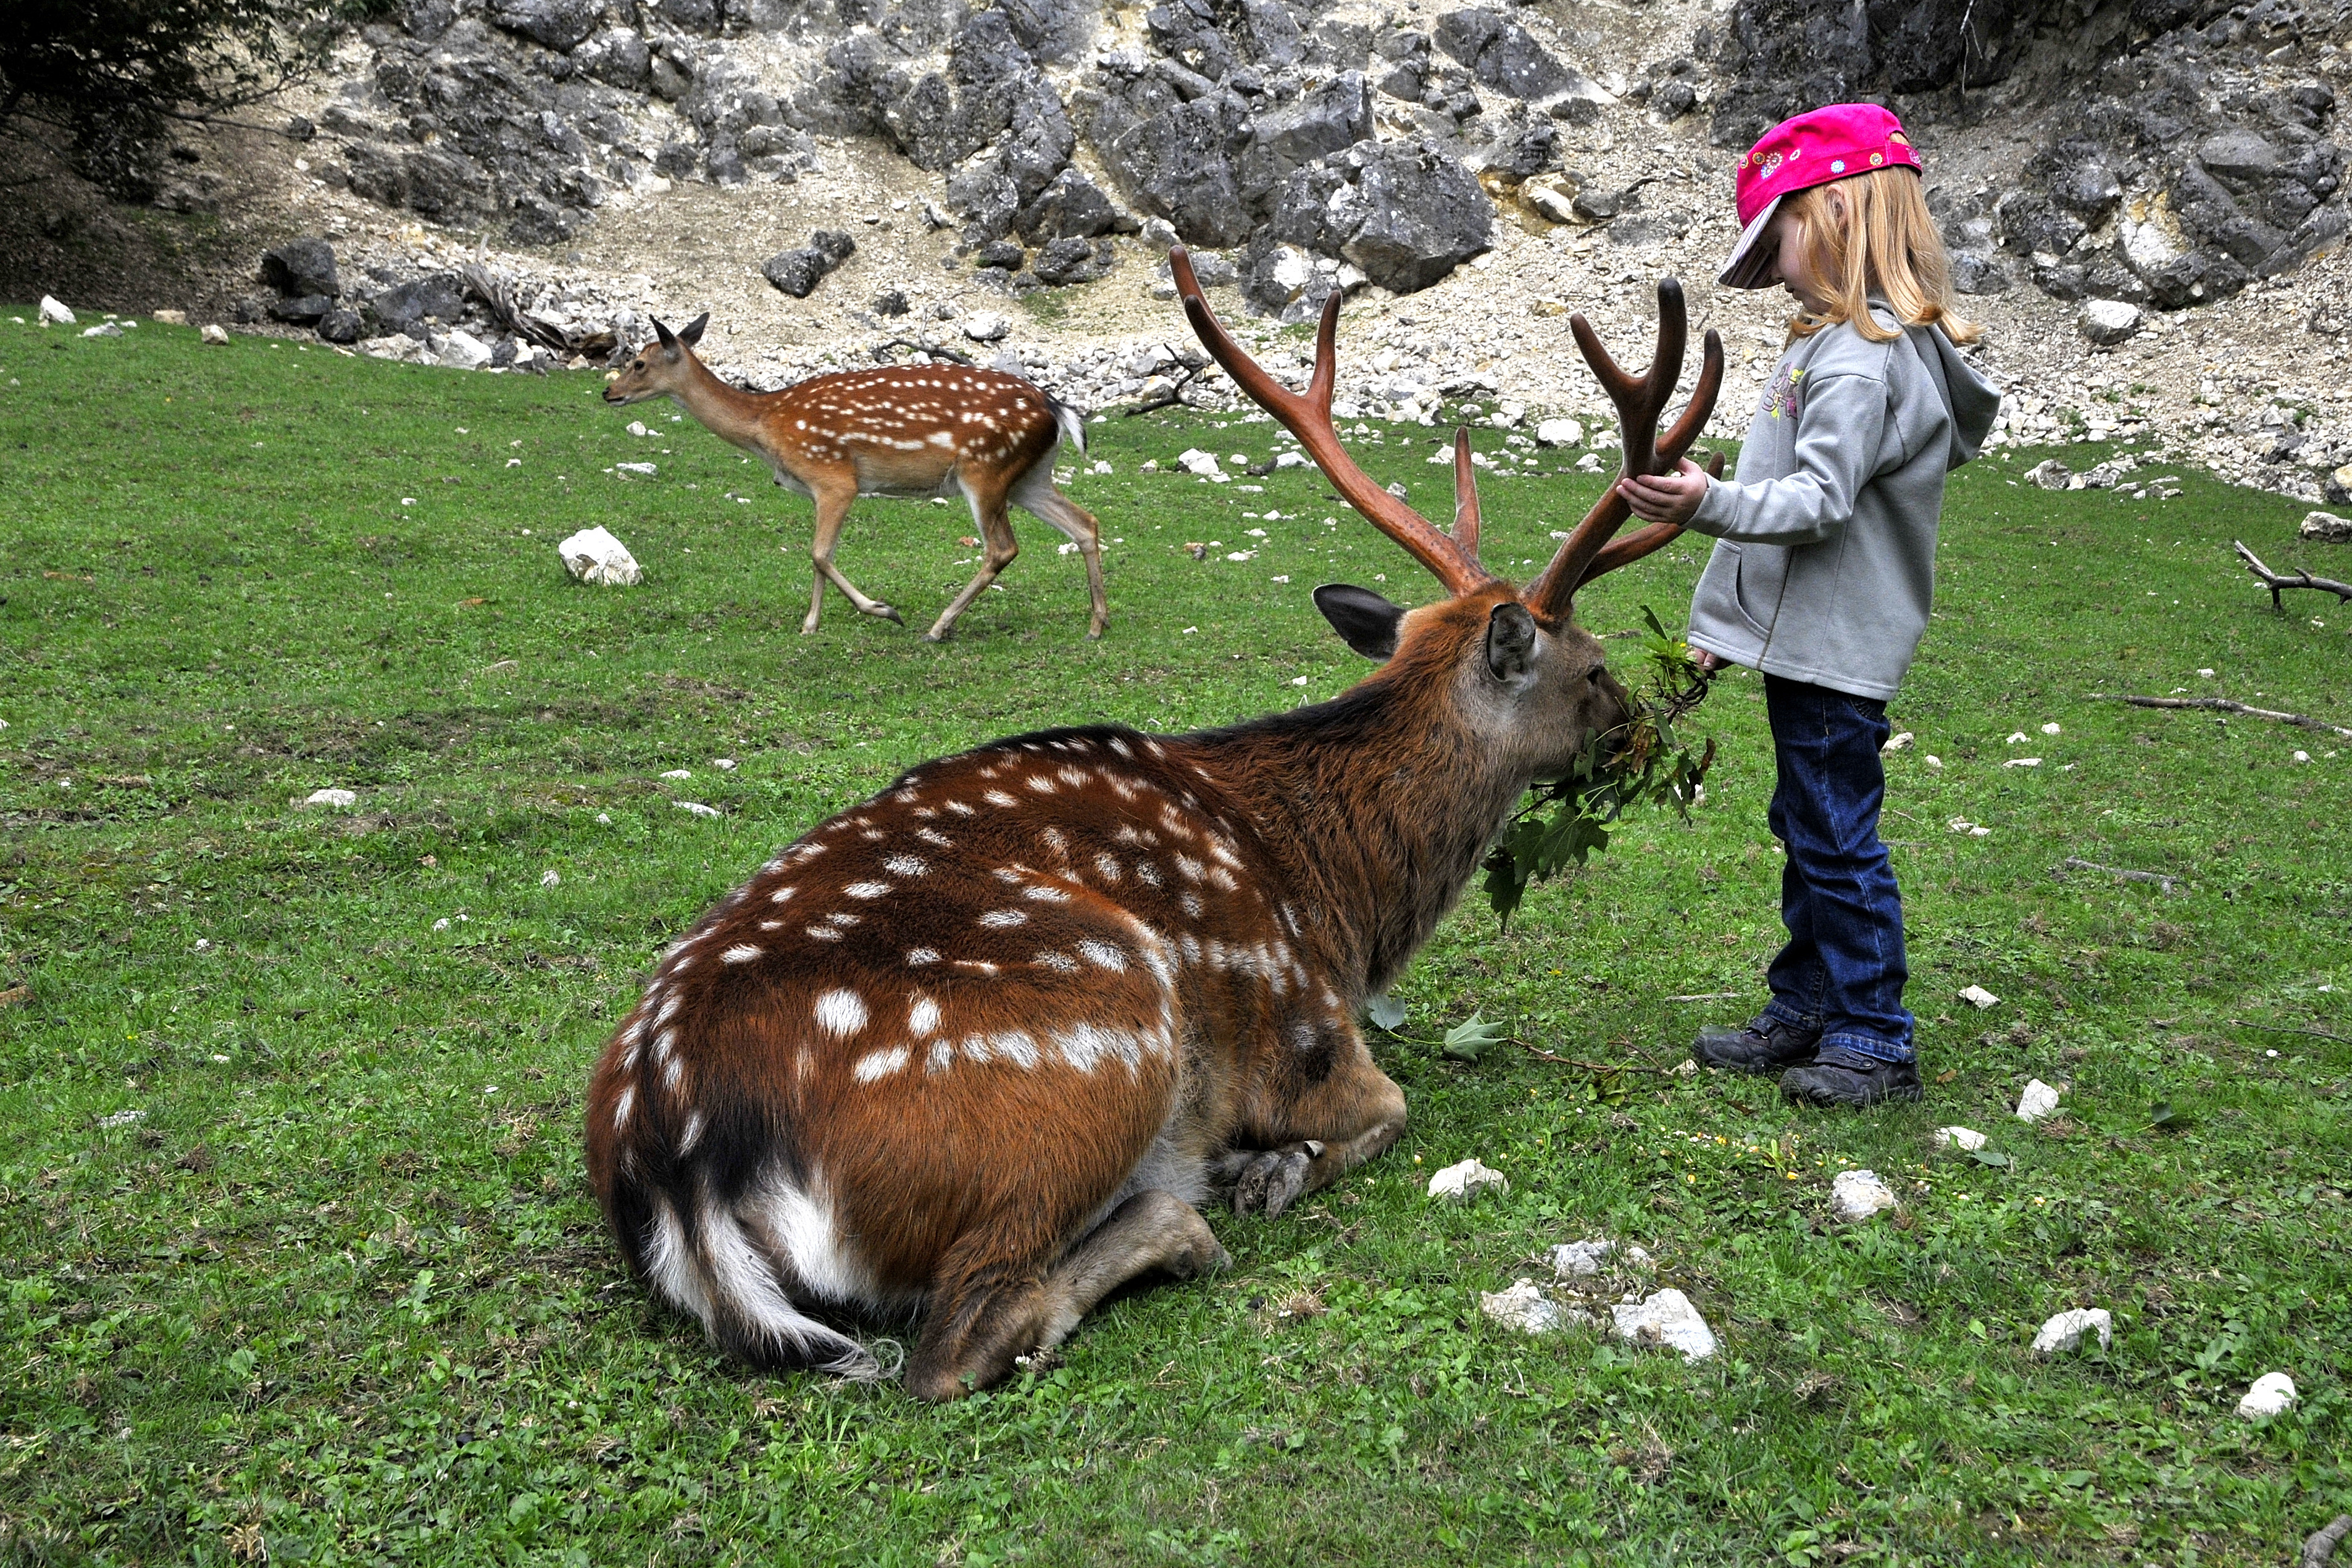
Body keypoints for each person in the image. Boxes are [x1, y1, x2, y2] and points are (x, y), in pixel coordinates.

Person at [1615, 103, 2001, 1108]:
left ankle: (1875, 1035)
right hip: (1808, 646)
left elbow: (1813, 508)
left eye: (1774, 235)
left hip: (1837, 655)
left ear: (1833, 213)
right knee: (1807, 826)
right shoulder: (1824, 347)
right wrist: (1715, 637)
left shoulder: (1861, 360)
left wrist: (1706, 502)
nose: (1771, 263)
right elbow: (1782, 532)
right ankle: (1809, 1003)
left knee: (1834, 837)